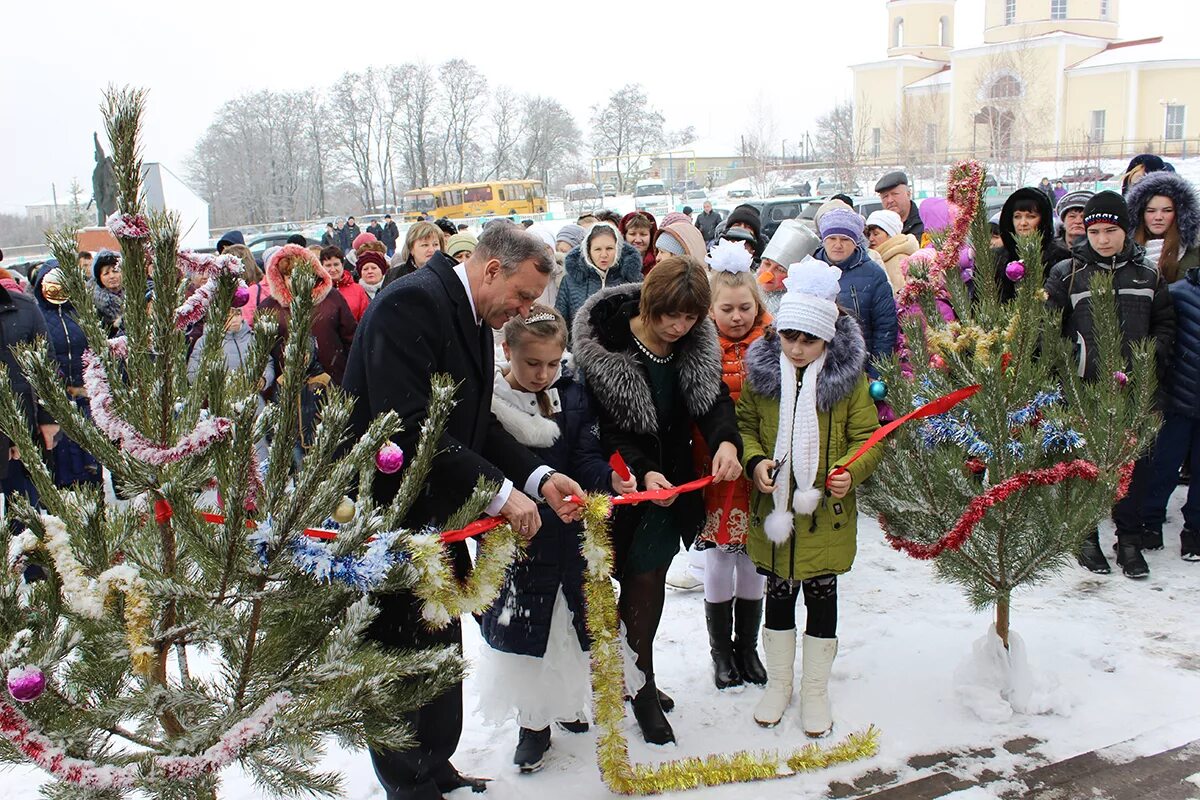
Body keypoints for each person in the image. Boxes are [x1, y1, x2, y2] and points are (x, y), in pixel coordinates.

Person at [342, 223, 585, 800]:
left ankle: (436, 767)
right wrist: (502, 495)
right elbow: (412, 423)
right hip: (389, 519)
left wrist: (538, 476)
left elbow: (475, 428)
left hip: (438, 516)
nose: (524, 310)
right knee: (403, 652)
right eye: (523, 297)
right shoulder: (410, 304)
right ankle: (409, 784)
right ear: (492, 268)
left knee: (439, 645)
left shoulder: (476, 315)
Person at [572, 257, 742, 745]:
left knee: (648, 584)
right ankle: (633, 682)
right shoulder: (607, 348)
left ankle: (639, 679)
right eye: (670, 316)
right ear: (649, 303)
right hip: (624, 486)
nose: (678, 326)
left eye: (689, 318)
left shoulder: (693, 343)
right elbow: (605, 428)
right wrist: (643, 471)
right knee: (629, 583)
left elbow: (712, 402)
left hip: (673, 488)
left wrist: (726, 441)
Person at [476, 305, 630, 773]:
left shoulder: (574, 397)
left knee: (569, 624)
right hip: (516, 545)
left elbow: (584, 455)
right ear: (508, 352)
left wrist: (606, 478)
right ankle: (532, 722)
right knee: (527, 631)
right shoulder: (489, 402)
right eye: (532, 364)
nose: (543, 374)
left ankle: (566, 703)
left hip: (569, 536)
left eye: (552, 364)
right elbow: (486, 467)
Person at [736, 258, 881, 733]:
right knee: (777, 597)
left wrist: (849, 471)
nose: (797, 349)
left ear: (826, 340)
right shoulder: (764, 377)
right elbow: (746, 428)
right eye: (789, 336)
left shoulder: (847, 381)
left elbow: (868, 436)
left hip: (826, 514)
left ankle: (815, 690)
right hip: (774, 510)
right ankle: (779, 684)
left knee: (822, 597)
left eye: (808, 340)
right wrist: (757, 462)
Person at [1045, 191, 1175, 579]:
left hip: (1134, 391)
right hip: (1084, 390)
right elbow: (1049, 331)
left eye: (1111, 230)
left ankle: (1130, 539)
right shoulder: (1067, 274)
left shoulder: (1147, 273)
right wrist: (1066, 373)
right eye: (1095, 231)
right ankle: (1086, 537)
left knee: (1131, 470)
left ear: (1124, 230)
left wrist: (1150, 361)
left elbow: (1164, 323)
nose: (1103, 239)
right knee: (1085, 468)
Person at [693, 241, 770, 690]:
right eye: (727, 308)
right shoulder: (701, 348)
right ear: (711, 309)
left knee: (755, 555)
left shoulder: (775, 343)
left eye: (745, 307)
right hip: (716, 467)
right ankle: (721, 650)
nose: (737, 317)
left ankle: (748, 647)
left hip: (759, 467)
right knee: (722, 551)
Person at [1142, 259, 1200, 562]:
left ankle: (1195, 529)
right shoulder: (1179, 293)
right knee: (1163, 465)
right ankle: (1150, 521)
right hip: (1178, 399)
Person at [33, 264, 99, 488]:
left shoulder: (82, 313)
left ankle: (96, 506)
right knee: (62, 459)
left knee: (90, 454)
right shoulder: (38, 316)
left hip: (85, 394)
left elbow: (94, 348)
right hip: (57, 398)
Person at [813, 208, 898, 376]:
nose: (838, 245)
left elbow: (885, 327)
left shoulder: (873, 274)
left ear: (855, 241)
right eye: (832, 239)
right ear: (823, 239)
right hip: (817, 368)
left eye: (845, 239)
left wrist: (876, 372)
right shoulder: (808, 269)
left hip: (860, 368)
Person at [187, 302, 274, 462]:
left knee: (257, 446)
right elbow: (192, 373)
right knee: (225, 453)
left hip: (252, 403)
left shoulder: (253, 339)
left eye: (237, 313)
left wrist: (263, 379)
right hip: (221, 405)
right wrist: (212, 383)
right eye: (228, 315)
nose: (234, 319)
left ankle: (261, 475)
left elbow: (267, 363)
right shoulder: (206, 342)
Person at [259, 244, 357, 387]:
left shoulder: (331, 298)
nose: (295, 281)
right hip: (290, 388)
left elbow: (351, 337)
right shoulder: (270, 307)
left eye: (299, 274)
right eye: (288, 276)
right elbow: (262, 352)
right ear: (280, 278)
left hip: (334, 380)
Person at [0, 272, 57, 506]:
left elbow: (47, 365)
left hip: (21, 429)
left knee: (25, 515)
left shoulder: (23, 308)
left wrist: (48, 417)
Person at [555, 221, 643, 332]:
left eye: (609, 248)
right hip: (581, 347)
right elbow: (560, 323)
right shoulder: (570, 281)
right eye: (597, 249)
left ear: (618, 248)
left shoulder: (633, 279)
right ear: (588, 251)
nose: (604, 255)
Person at [992, 187, 1072, 303]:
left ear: (1042, 219)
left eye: (1030, 216)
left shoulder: (1060, 258)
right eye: (1017, 216)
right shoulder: (996, 259)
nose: (1023, 223)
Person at [1126, 171, 1200, 284]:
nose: (1158, 217)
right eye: (1150, 211)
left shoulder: (1194, 250)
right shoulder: (1124, 250)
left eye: (1167, 210)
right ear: (1140, 213)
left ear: (1179, 213)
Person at [758, 220, 821, 315]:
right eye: (767, 264)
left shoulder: (793, 309)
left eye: (780, 270)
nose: (769, 273)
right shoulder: (744, 288)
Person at [865, 209, 919, 294]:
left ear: (890, 235)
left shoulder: (898, 260)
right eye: (868, 234)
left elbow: (900, 297)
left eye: (876, 234)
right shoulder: (877, 257)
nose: (871, 239)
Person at [320, 246, 370, 322]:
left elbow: (365, 321)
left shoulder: (358, 290)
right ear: (322, 267)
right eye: (328, 265)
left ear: (342, 265)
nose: (333, 269)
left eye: (336, 264)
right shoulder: (317, 290)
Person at [874, 171, 924, 240]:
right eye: (885, 196)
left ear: (908, 194)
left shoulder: (925, 223)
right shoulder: (877, 228)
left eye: (895, 194)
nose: (890, 200)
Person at [92, 250, 124, 337]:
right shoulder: (95, 303)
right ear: (100, 278)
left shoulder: (134, 295)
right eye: (106, 273)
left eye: (115, 271)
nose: (112, 276)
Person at [619, 211, 658, 275]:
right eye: (632, 234)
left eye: (643, 234)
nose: (638, 240)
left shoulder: (659, 264)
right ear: (624, 235)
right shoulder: (615, 265)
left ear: (651, 236)